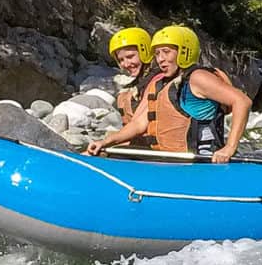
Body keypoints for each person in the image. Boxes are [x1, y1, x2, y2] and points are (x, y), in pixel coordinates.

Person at [87, 25, 252, 163]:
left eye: (166, 52)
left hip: (197, 160)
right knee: (102, 153)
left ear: (184, 51)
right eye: (157, 53)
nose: (160, 59)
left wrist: (229, 148)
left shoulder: (198, 77)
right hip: (170, 158)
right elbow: (138, 125)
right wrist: (105, 141)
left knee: (107, 155)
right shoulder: (163, 84)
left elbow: (242, 101)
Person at [108, 27, 156, 124]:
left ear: (144, 51)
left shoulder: (160, 81)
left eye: (130, 57)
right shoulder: (135, 85)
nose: (125, 64)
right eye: (121, 60)